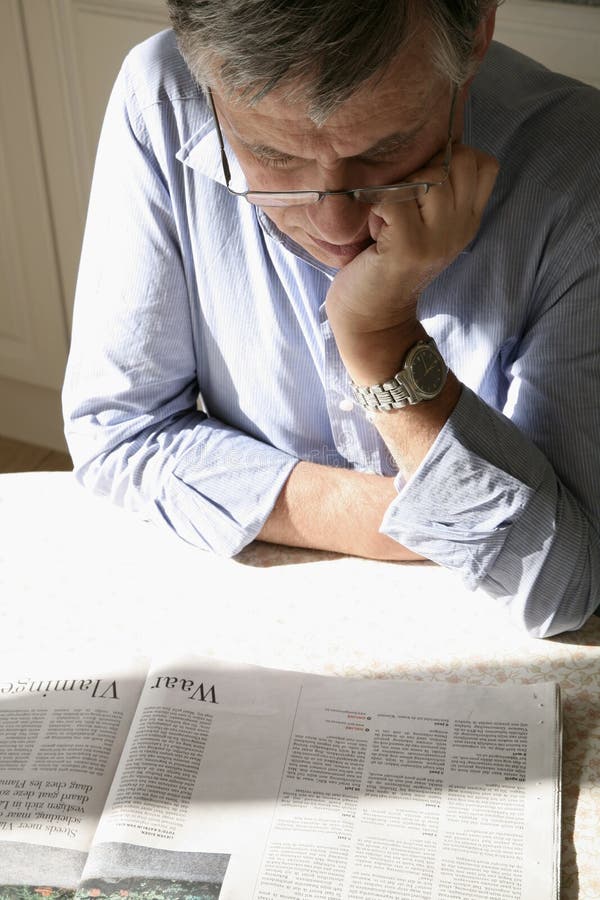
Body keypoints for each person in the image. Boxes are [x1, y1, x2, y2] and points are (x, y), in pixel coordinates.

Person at [62, 1, 600, 638]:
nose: (335, 225)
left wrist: (381, 337)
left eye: (389, 148)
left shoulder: (579, 170)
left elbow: (563, 583)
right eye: (272, 155)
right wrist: (440, 517)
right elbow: (120, 433)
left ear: (478, 33)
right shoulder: (161, 97)